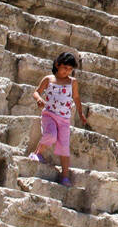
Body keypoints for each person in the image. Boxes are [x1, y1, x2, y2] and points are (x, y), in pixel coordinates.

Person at [26, 51, 90, 186]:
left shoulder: (72, 82)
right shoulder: (48, 79)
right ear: (57, 64)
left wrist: (80, 113)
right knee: (50, 135)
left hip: (64, 119)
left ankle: (65, 176)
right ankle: (37, 153)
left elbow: (76, 98)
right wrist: (39, 99)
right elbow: (36, 91)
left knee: (64, 147)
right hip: (49, 114)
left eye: (70, 69)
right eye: (65, 68)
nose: (67, 71)